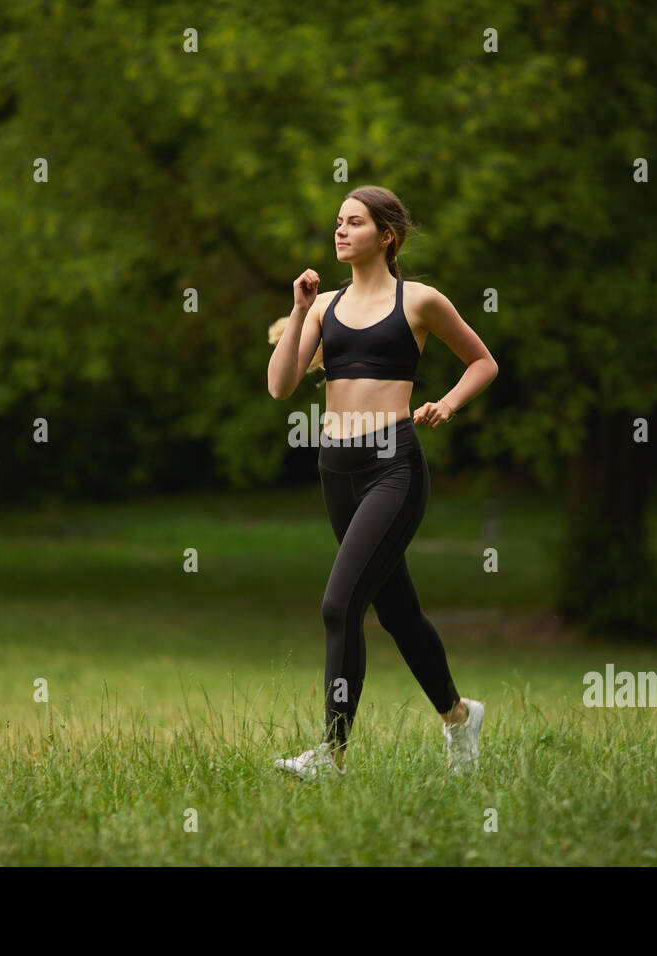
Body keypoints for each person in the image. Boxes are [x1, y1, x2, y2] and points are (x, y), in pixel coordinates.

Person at [266, 185, 498, 778]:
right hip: (335, 471)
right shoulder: (323, 308)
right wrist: (297, 310)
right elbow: (280, 386)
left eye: (355, 223)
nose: (340, 231)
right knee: (396, 612)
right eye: (338, 222)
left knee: (340, 604)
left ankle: (331, 753)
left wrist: (447, 403)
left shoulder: (418, 301)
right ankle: (459, 716)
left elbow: (483, 361)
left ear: (385, 236)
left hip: (393, 466)